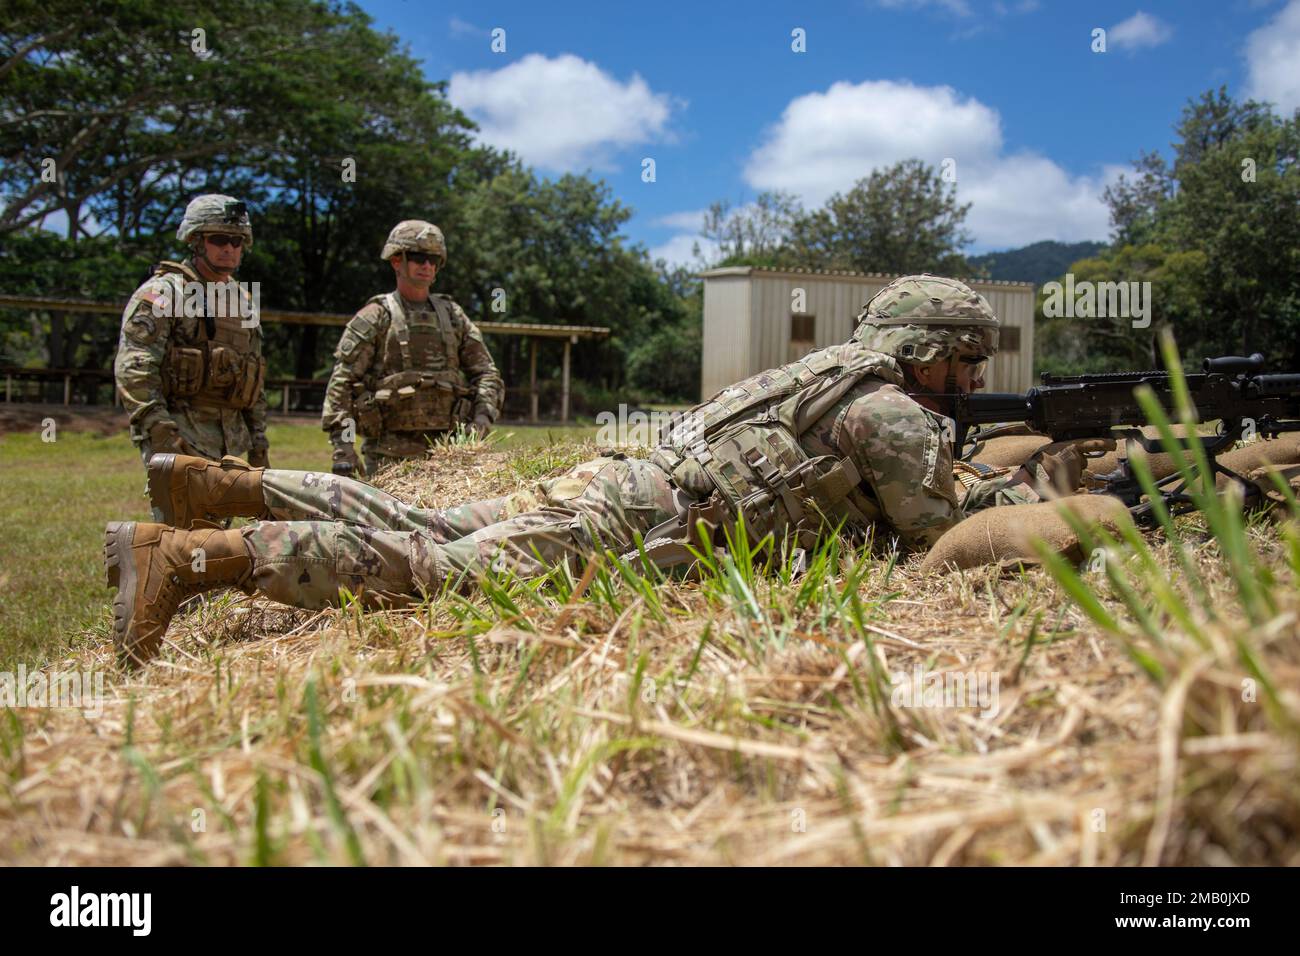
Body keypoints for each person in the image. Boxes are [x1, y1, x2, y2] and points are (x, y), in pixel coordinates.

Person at [105, 275, 1094, 667]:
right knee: (436, 566)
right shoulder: (890, 411)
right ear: (924, 344)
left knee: (431, 523)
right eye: (964, 357)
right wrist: (1044, 489)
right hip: (645, 523)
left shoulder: (834, 374)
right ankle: (194, 558)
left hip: (626, 484)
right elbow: (936, 536)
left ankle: (219, 482)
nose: (970, 376)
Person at [321, 220, 504, 477]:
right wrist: (343, 448)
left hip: (449, 454)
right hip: (388, 456)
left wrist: (480, 423)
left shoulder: (453, 316)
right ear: (397, 260)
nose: (427, 266)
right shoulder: (376, 316)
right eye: (418, 257)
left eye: (434, 259)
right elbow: (342, 382)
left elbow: (486, 373)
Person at [113, 194, 268, 471]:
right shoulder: (165, 293)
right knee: (181, 515)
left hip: (231, 442)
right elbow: (134, 368)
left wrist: (258, 442)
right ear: (196, 241)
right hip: (180, 432)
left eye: (237, 241)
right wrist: (161, 433)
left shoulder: (243, 300)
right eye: (219, 240)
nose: (230, 248)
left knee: (220, 515)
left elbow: (253, 375)